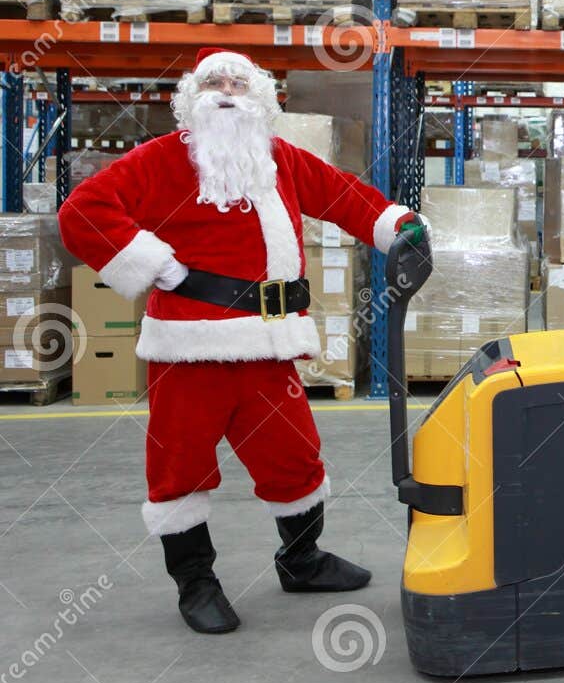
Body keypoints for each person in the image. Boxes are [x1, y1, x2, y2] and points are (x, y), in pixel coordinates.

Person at [58, 47, 428, 634]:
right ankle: (196, 583)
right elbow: (82, 212)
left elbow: (345, 197)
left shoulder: (281, 159)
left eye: (238, 83)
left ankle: (302, 560)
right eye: (215, 83)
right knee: (179, 469)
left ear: (260, 99)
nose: (227, 93)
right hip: (188, 350)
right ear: (192, 97)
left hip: (267, 347)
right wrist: (160, 267)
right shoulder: (159, 160)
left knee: (294, 458)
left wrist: (398, 225)